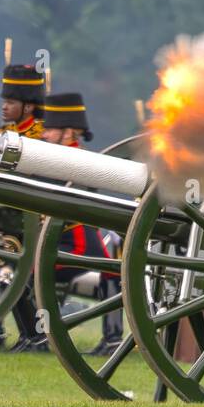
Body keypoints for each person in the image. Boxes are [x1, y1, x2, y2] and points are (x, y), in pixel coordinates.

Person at [43, 92, 124, 357]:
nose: (44, 134)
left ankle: (111, 339)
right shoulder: (55, 156)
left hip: (77, 248)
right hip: (61, 244)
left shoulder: (80, 160)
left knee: (31, 270)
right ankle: (38, 336)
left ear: (68, 133)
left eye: (50, 129)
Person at [0, 62, 46, 349]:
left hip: (32, 217)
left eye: (11, 102)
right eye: (4, 101)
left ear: (28, 108)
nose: (4, 107)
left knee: (7, 265)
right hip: (6, 215)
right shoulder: (8, 131)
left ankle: (36, 335)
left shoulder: (39, 135)